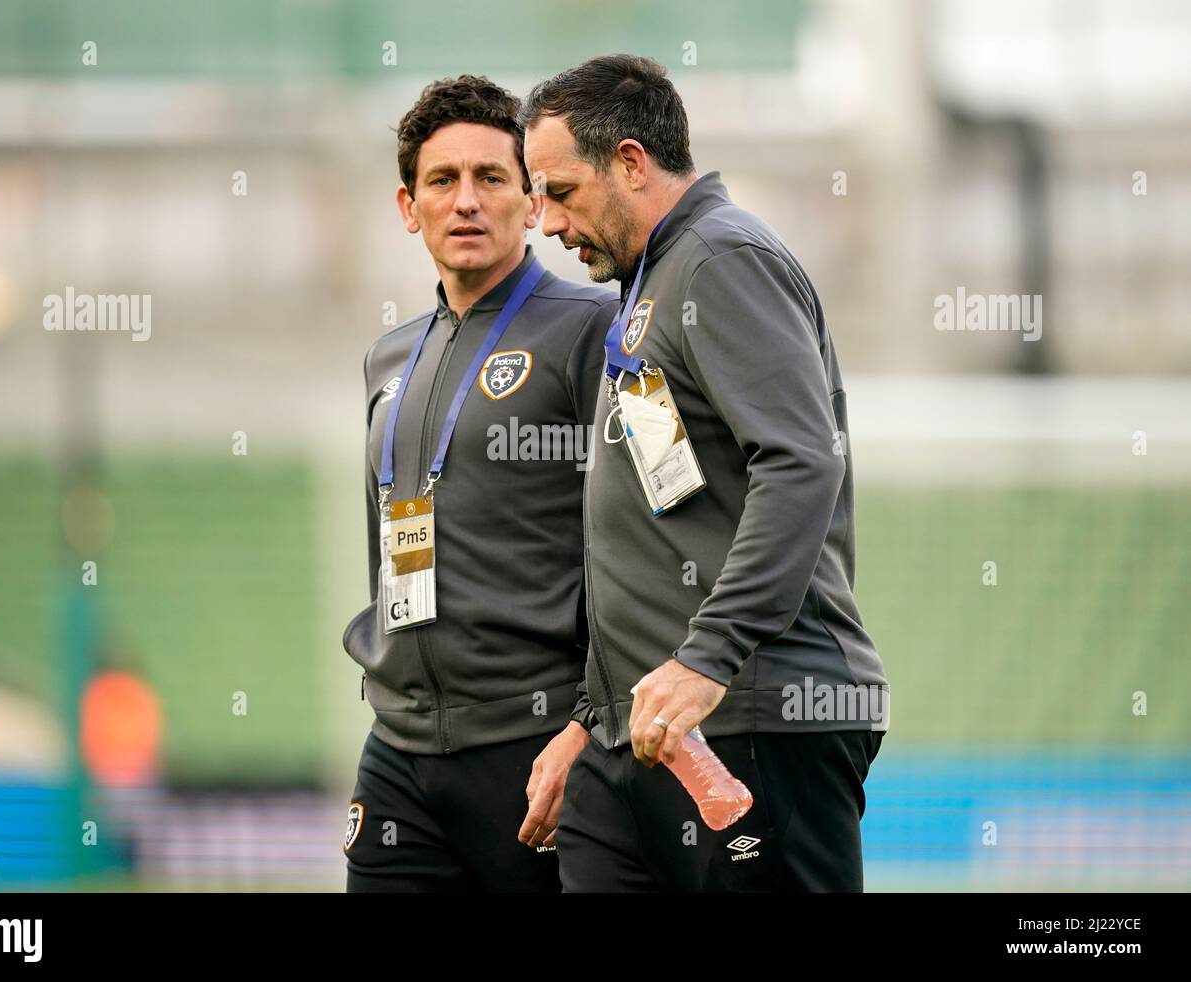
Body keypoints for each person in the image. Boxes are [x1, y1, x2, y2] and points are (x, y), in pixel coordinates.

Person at [521, 54, 890, 892]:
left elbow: (800, 463)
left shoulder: (723, 259)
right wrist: (594, 716)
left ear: (629, 162)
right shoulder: (654, 281)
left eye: (559, 191)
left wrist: (708, 660)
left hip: (753, 715)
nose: (543, 220)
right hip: (644, 736)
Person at [340, 75, 616, 892]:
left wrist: (590, 725)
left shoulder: (594, 330)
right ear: (407, 205)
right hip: (401, 752)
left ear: (532, 202)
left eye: (491, 178)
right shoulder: (388, 358)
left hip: (537, 749)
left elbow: (649, 543)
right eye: (442, 180)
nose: (466, 200)